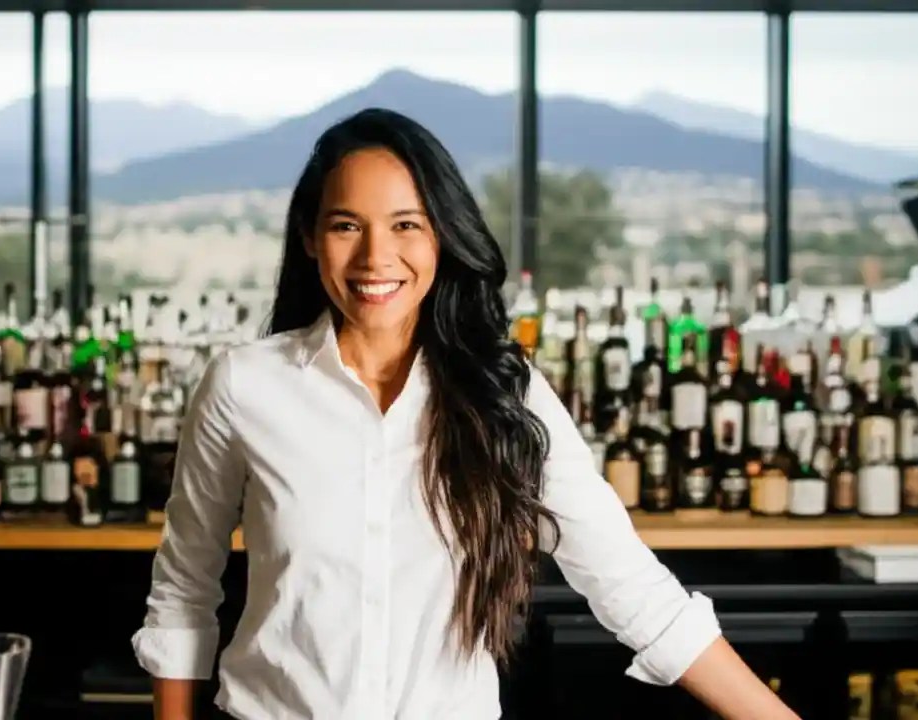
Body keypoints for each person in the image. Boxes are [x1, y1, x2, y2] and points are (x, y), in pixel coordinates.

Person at [132, 107, 799, 720]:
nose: (375, 258)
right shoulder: (245, 387)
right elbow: (184, 593)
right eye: (346, 226)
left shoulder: (506, 394)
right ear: (310, 238)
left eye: (405, 225)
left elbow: (636, 593)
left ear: (443, 236)